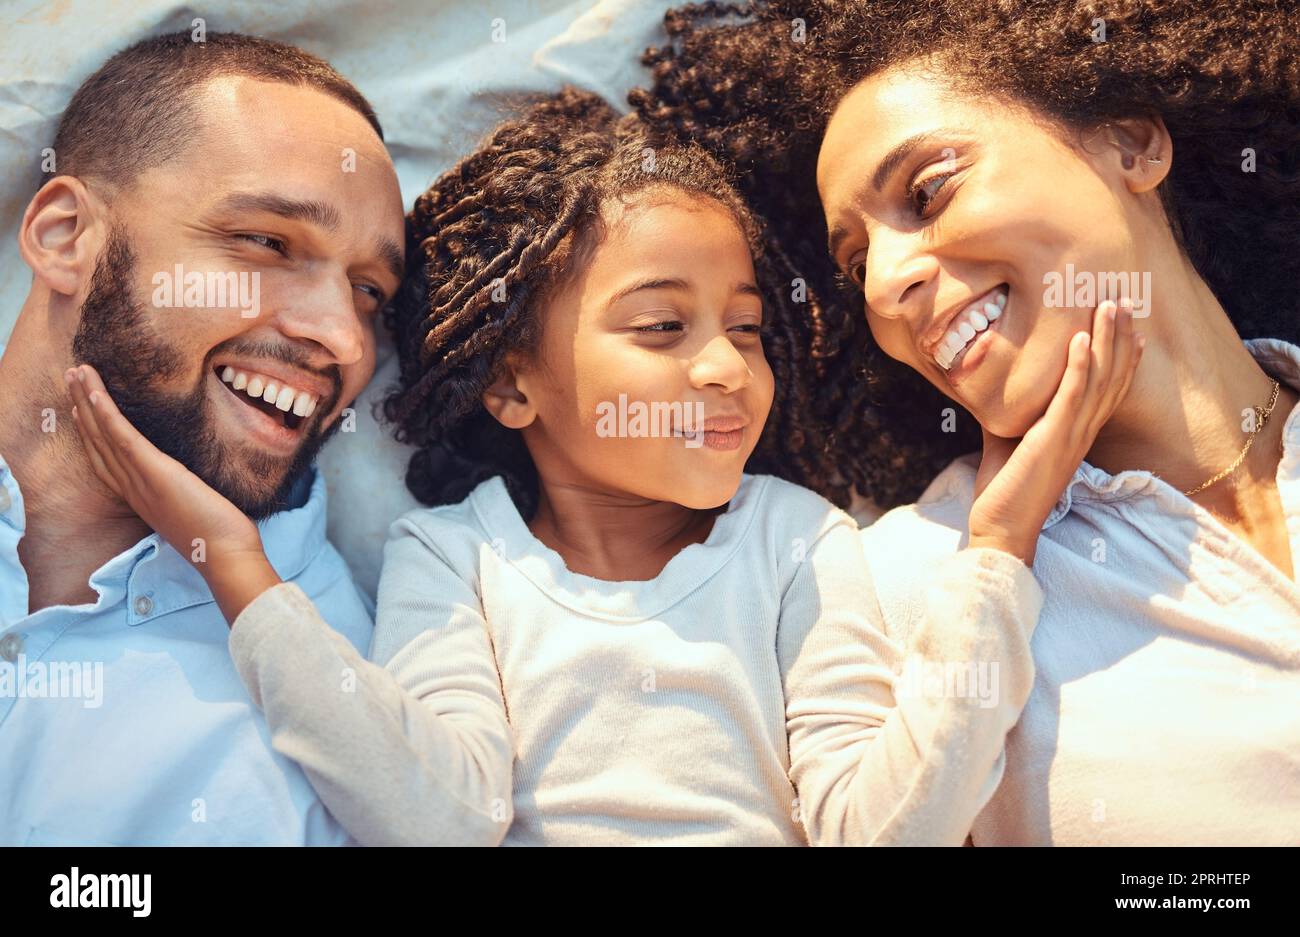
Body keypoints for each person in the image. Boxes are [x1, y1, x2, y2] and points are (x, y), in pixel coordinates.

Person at [66, 89, 1136, 845]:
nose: (726, 369)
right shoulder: (450, 558)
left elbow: (879, 829)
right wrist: (240, 572)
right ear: (512, 385)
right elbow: (439, 818)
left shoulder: (794, 539)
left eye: (751, 330)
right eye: (662, 326)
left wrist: (997, 554)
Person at [630, 0, 1300, 843]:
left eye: (928, 190)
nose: (883, 286)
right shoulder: (895, 582)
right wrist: (998, 557)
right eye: (857, 263)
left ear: (1131, 144)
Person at [0, 30, 405, 845]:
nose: (345, 339)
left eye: (369, 291)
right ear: (64, 235)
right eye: (268, 242)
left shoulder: (350, 729)